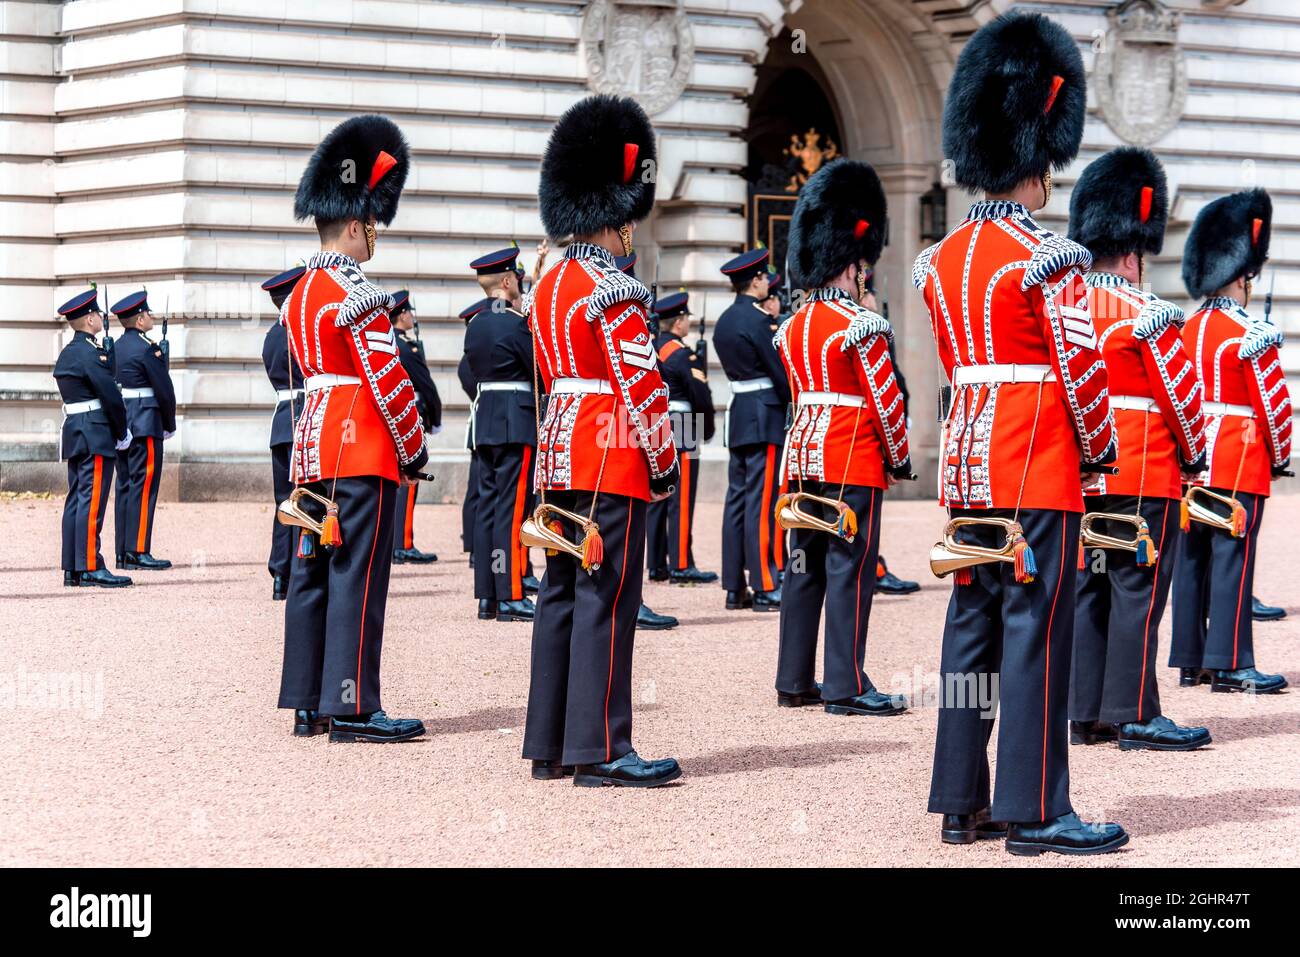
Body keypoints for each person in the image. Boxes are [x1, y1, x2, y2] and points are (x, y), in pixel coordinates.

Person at [916, 12, 1128, 855]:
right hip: (1036, 461)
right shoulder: (1047, 256)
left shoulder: (940, 260)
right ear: (1038, 162)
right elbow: (1080, 373)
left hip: (970, 467)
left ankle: (961, 800)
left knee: (970, 632)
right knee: (1034, 635)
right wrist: (1102, 449)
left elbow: (956, 361)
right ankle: (1036, 807)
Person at [522, 94, 682, 787]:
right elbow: (640, 388)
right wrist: (665, 461)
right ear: (616, 217)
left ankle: (551, 743)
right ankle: (603, 748)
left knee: (560, 592)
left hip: (559, 450)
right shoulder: (611, 288)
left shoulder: (550, 284)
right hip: (609, 455)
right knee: (609, 599)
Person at [276, 114, 428, 743]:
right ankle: (355, 705)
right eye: (372, 225)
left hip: (312, 443)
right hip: (361, 445)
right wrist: (413, 449)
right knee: (360, 576)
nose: (375, 236)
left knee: (312, 569)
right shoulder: (357, 290)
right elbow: (387, 381)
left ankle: (309, 701)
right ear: (357, 223)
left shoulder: (301, 292)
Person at [1065, 147, 1211, 751]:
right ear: (1134, 253)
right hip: (1144, 471)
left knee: (1090, 583)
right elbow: (1183, 402)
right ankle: (1135, 712)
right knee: (1139, 592)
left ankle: (1085, 709)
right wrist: (1196, 455)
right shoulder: (1147, 314)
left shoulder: (1066, 308)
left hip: (1083, 474)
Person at [773, 159, 913, 717]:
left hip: (802, 457)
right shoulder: (863, 326)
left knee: (802, 569)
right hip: (851, 458)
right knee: (849, 571)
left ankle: (794, 678)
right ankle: (846, 683)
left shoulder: (793, 326)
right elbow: (886, 402)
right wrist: (900, 460)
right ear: (855, 266)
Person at [1170, 188, 1292, 694]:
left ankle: (1191, 659)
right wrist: (1281, 457)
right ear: (1242, 274)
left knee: (1191, 559)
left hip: (1193, 460)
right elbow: (1274, 406)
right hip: (1239, 458)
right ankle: (1231, 662)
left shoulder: (1183, 328)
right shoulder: (1250, 333)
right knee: (1234, 562)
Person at [465, 248, 538, 622]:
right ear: (508, 281)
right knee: (511, 512)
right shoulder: (515, 324)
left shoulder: (476, 324)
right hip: (516, 420)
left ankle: (487, 596)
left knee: (488, 509)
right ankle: (510, 594)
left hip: (486, 421)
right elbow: (539, 371)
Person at [714, 247, 788, 612]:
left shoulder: (724, 321)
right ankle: (765, 582)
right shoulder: (760, 322)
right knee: (762, 503)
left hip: (740, 413)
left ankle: (734, 586)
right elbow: (780, 373)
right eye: (763, 279)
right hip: (764, 415)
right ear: (756, 280)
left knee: (737, 502)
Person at [54, 289, 132, 588]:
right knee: (91, 500)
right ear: (89, 318)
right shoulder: (89, 353)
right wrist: (122, 430)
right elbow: (111, 395)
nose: (101, 317)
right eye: (98, 314)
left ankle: (73, 567)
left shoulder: (73, 351)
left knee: (76, 499)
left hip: (76, 429)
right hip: (95, 430)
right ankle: (90, 566)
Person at [646, 291, 717, 585]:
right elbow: (700, 395)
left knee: (658, 497)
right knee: (681, 495)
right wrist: (707, 427)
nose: (688, 322)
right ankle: (681, 563)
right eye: (686, 318)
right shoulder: (682, 354)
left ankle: (657, 564)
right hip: (683, 422)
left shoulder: (654, 348)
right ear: (678, 323)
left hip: (658, 422)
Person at [110, 291, 176, 571]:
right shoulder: (148, 350)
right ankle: (138, 550)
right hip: (147, 423)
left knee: (125, 486)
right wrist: (169, 425)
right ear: (139, 318)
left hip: (124, 422)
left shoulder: (116, 348)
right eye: (147, 313)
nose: (150, 317)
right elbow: (164, 390)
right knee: (144, 487)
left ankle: (123, 552)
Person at [260, 265, 306, 601]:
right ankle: (302, 568)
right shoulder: (300, 331)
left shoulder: (271, 336)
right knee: (305, 499)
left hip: (281, 420)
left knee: (283, 501)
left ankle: (281, 574)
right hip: (304, 416)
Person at [389, 290, 441, 565]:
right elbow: (426, 385)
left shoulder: (394, 343)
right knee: (410, 480)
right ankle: (403, 543)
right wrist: (436, 416)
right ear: (402, 315)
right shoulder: (404, 348)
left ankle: (398, 542)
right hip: (413, 416)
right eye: (409, 312)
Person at [458, 298, 487, 570]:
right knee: (477, 490)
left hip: (483, 423)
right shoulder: (469, 360)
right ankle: (474, 543)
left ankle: (475, 544)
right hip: (482, 423)